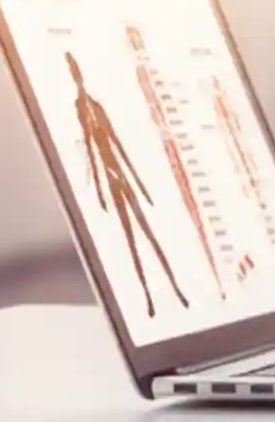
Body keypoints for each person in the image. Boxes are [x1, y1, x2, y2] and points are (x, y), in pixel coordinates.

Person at [70, 51, 189, 318]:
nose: (78, 81)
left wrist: (140, 185)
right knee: (131, 241)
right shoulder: (80, 109)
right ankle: (148, 297)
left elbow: (119, 146)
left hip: (121, 177)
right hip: (112, 181)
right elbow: (90, 150)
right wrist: (100, 190)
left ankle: (176, 288)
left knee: (149, 234)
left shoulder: (96, 106)